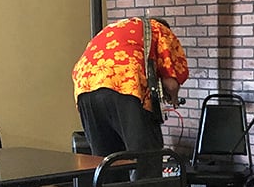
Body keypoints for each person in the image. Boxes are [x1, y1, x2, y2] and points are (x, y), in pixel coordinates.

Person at [72, 16, 188, 155]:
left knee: (107, 159)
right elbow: (171, 84)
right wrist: (173, 99)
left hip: (85, 86)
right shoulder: (160, 29)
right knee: (146, 156)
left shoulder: (118, 27)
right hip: (124, 83)